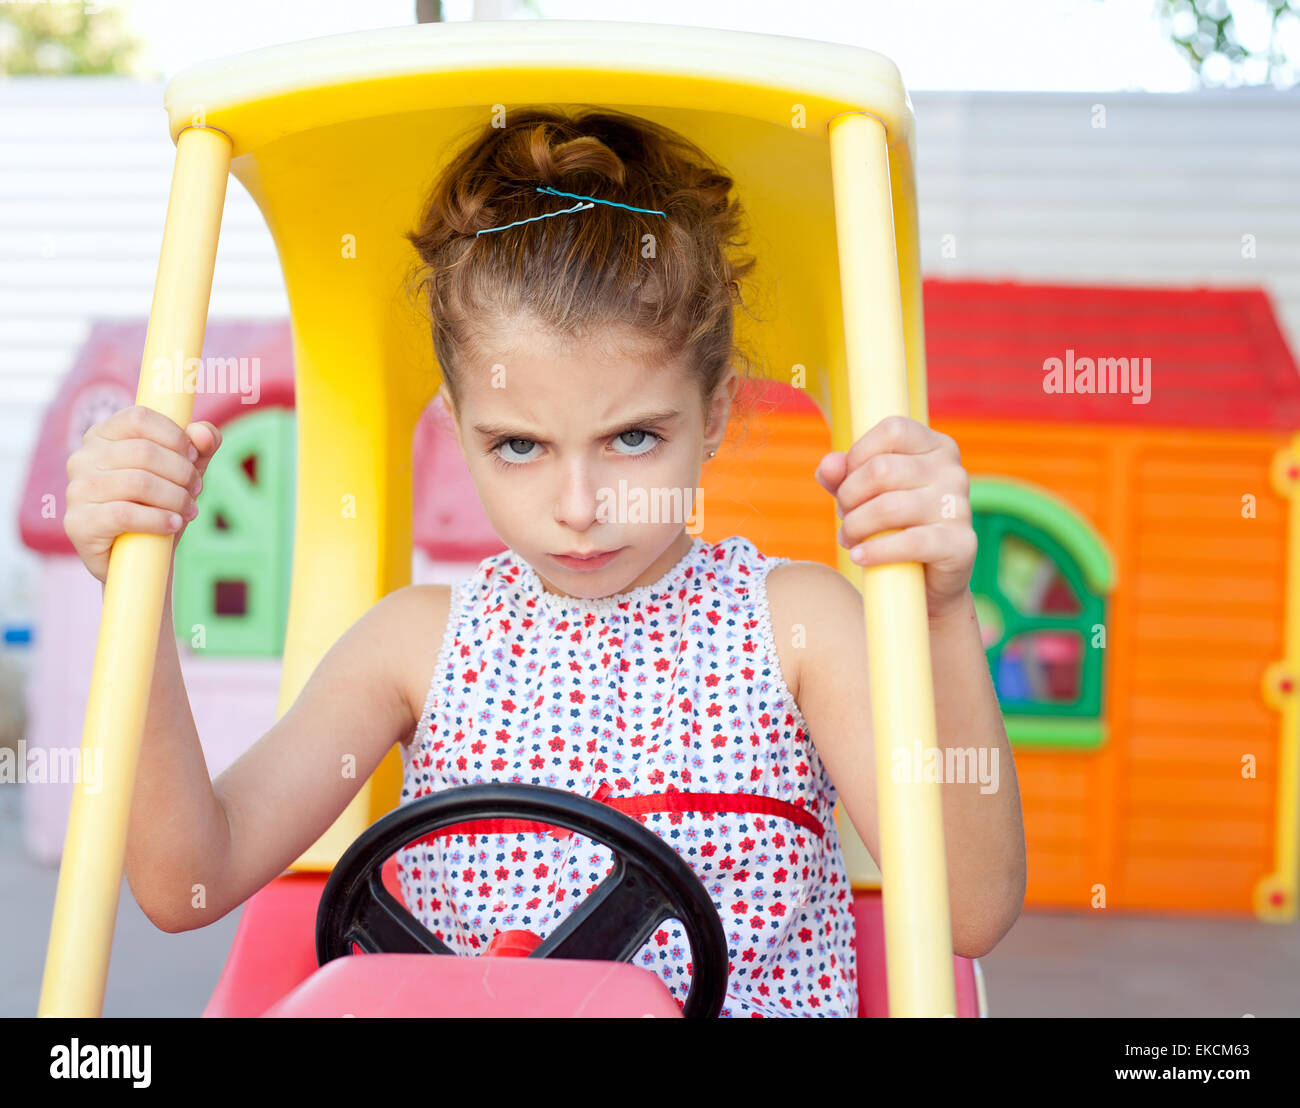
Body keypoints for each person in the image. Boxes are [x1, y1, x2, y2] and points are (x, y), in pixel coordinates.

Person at [62, 107, 1026, 1018]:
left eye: (634, 438)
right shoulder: (418, 643)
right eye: (519, 446)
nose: (578, 509)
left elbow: (969, 912)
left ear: (720, 410)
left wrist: (940, 615)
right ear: (456, 421)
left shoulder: (796, 625)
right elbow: (191, 878)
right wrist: (135, 591)